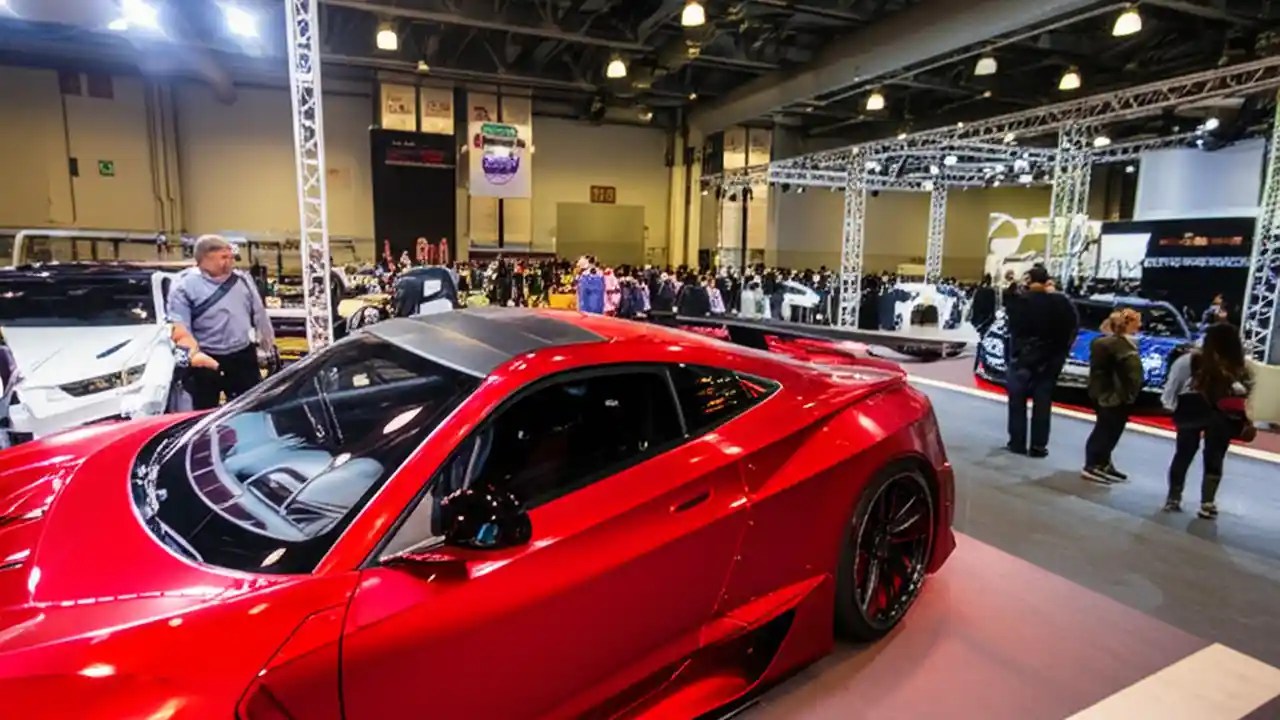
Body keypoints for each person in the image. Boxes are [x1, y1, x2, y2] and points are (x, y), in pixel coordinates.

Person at [167, 235, 276, 411]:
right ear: (204, 259)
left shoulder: (242, 280)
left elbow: (259, 314)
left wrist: (267, 344)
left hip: (242, 356)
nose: (230, 262)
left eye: (231, 257)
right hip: (206, 357)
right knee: (204, 411)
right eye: (223, 257)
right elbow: (180, 328)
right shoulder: (184, 286)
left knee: (251, 408)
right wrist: (193, 356)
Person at [1162, 323, 1252, 519]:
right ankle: (1207, 502)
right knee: (1215, 457)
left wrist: (1172, 406)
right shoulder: (1239, 367)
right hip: (1223, 415)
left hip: (1191, 409)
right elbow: (1246, 393)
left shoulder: (1190, 360)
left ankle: (1173, 497)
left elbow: (1172, 387)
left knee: (1183, 454)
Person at [1005, 266, 1079, 457]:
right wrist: (1060, 352)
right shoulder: (1062, 302)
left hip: (1022, 357)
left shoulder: (1020, 301)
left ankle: (1017, 443)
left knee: (1017, 401)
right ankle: (1038, 446)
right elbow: (1072, 328)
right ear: (1047, 281)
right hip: (1050, 359)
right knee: (1043, 401)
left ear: (1028, 281)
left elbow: (1012, 324)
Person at [1082, 308, 1143, 483]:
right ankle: (1093, 464)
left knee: (1112, 430)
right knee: (1105, 429)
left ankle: (1103, 462)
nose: (1140, 325)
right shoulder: (1114, 345)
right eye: (1137, 322)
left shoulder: (1119, 344)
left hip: (1115, 393)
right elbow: (1124, 372)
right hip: (1111, 394)